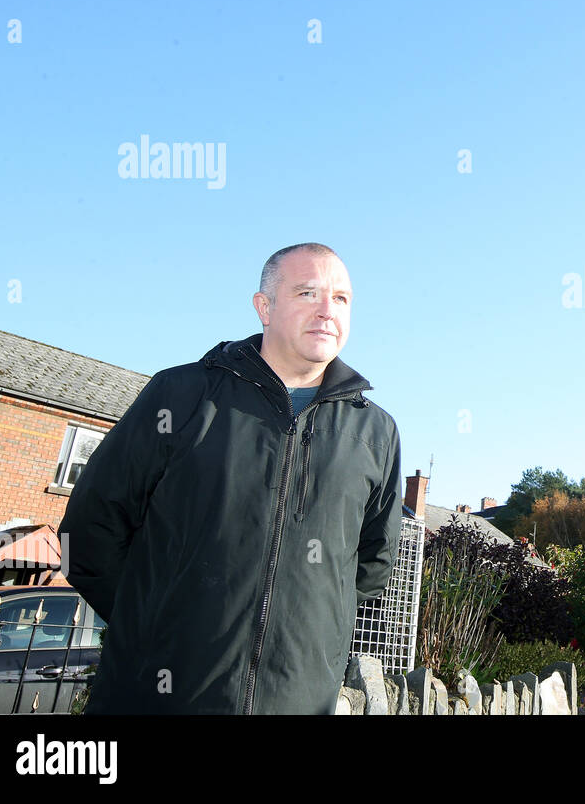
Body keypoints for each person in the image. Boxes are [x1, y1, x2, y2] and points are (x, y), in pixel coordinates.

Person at [59, 243, 403, 714]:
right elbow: (90, 530)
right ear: (265, 306)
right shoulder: (179, 395)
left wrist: (310, 643)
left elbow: (371, 565)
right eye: (307, 292)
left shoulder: (375, 432)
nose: (328, 311)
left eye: (341, 298)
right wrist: (154, 628)